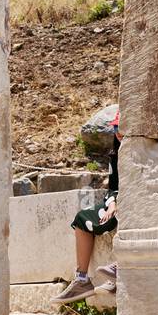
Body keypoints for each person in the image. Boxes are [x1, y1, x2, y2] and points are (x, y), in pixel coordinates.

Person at [53, 110, 121, 304]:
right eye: (116, 127)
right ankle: (82, 280)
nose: (119, 132)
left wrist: (119, 204)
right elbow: (113, 188)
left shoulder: (140, 151)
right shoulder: (115, 155)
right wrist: (112, 204)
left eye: (122, 127)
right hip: (116, 204)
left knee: (130, 212)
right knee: (82, 219)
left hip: (134, 203)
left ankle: (120, 271)